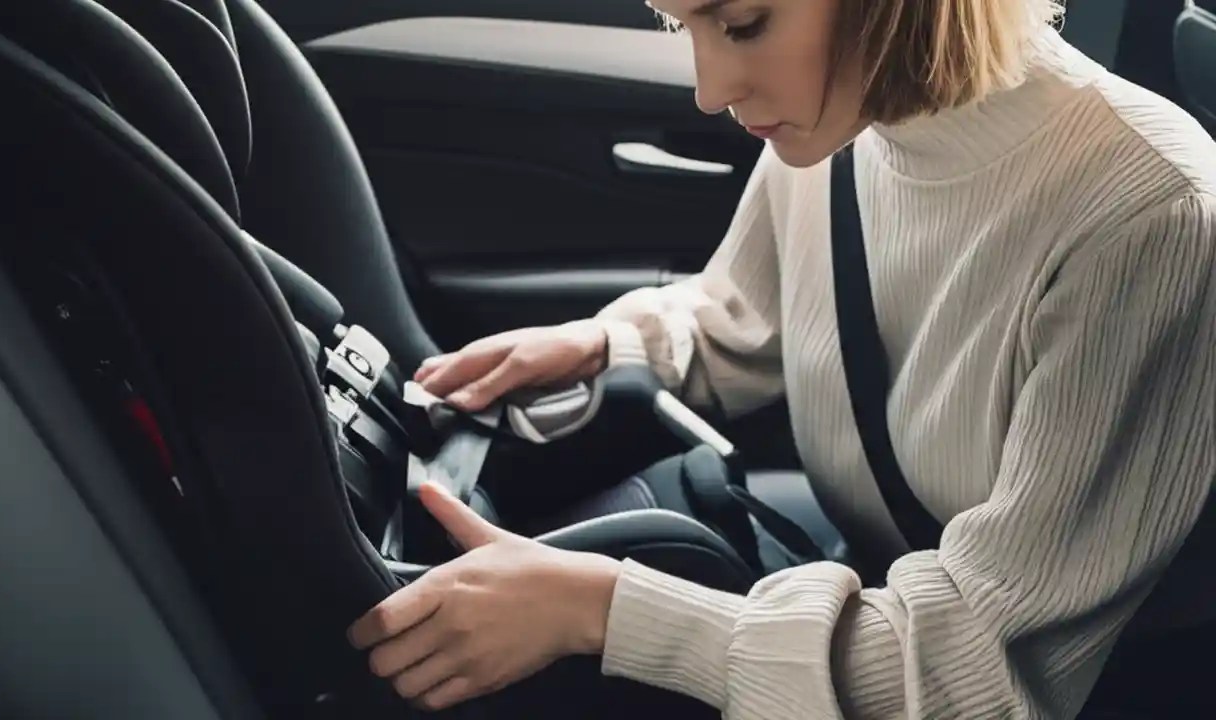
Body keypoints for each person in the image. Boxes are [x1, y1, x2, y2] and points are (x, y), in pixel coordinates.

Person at [346, 0, 1216, 717]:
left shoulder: (1145, 214)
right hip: (869, 583)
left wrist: (601, 611)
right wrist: (608, 345)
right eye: (679, 26)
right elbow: (745, 318)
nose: (709, 88)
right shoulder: (849, 119)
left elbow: (972, 671)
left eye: (744, 23)